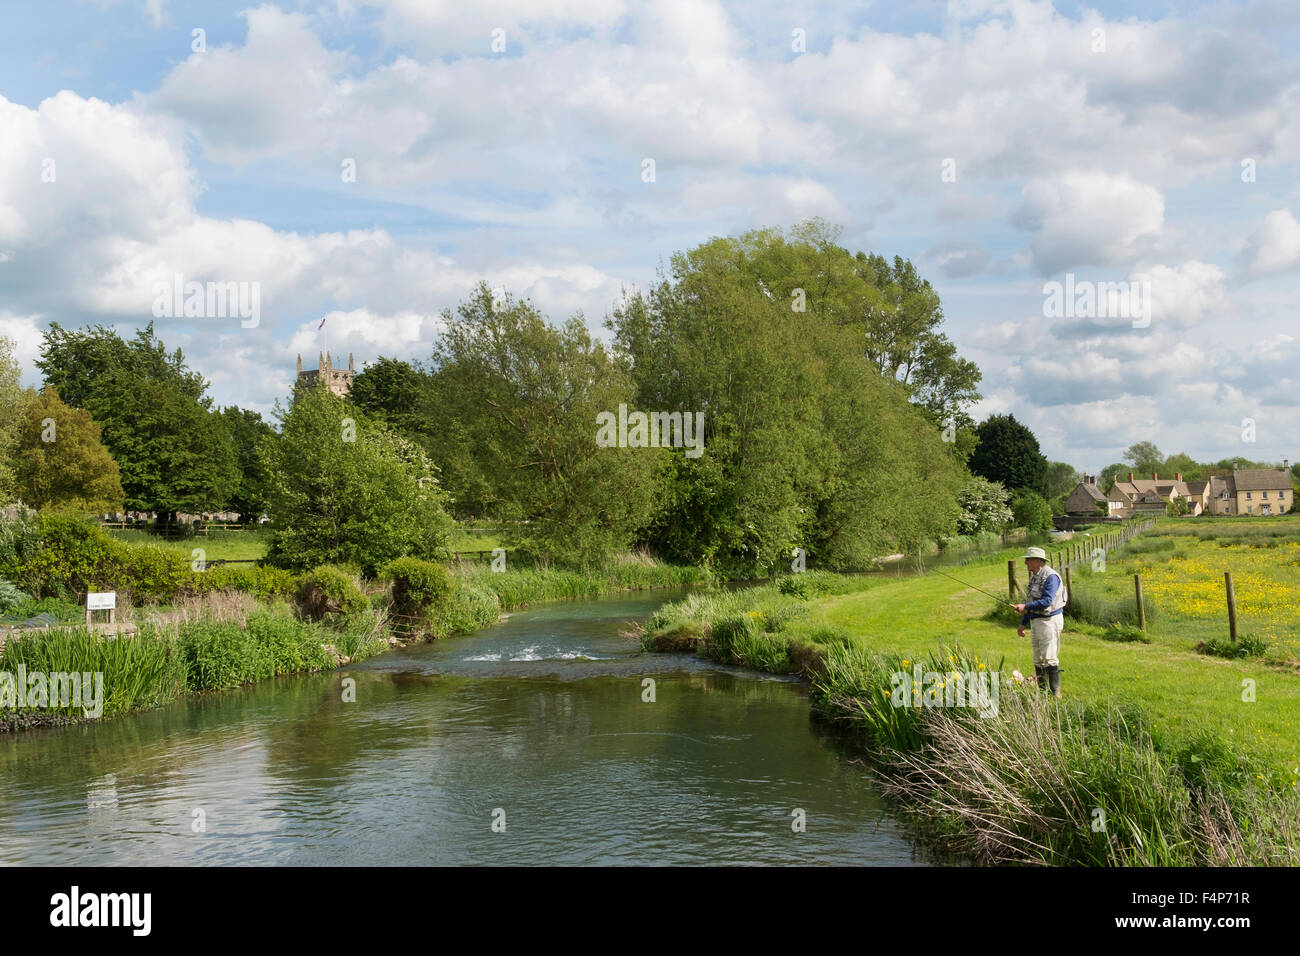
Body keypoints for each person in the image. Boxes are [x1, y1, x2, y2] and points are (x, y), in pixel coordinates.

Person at [1012, 546, 1066, 697]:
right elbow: (1030, 602)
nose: (1026, 563)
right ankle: (1042, 692)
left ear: (1038, 561)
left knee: (1049, 657)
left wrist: (1025, 606)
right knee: (1038, 658)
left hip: (1049, 621)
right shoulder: (1035, 576)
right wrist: (1023, 623)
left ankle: (1055, 694)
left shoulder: (1051, 577)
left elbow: (1047, 601)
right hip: (1036, 621)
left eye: (1028, 560)